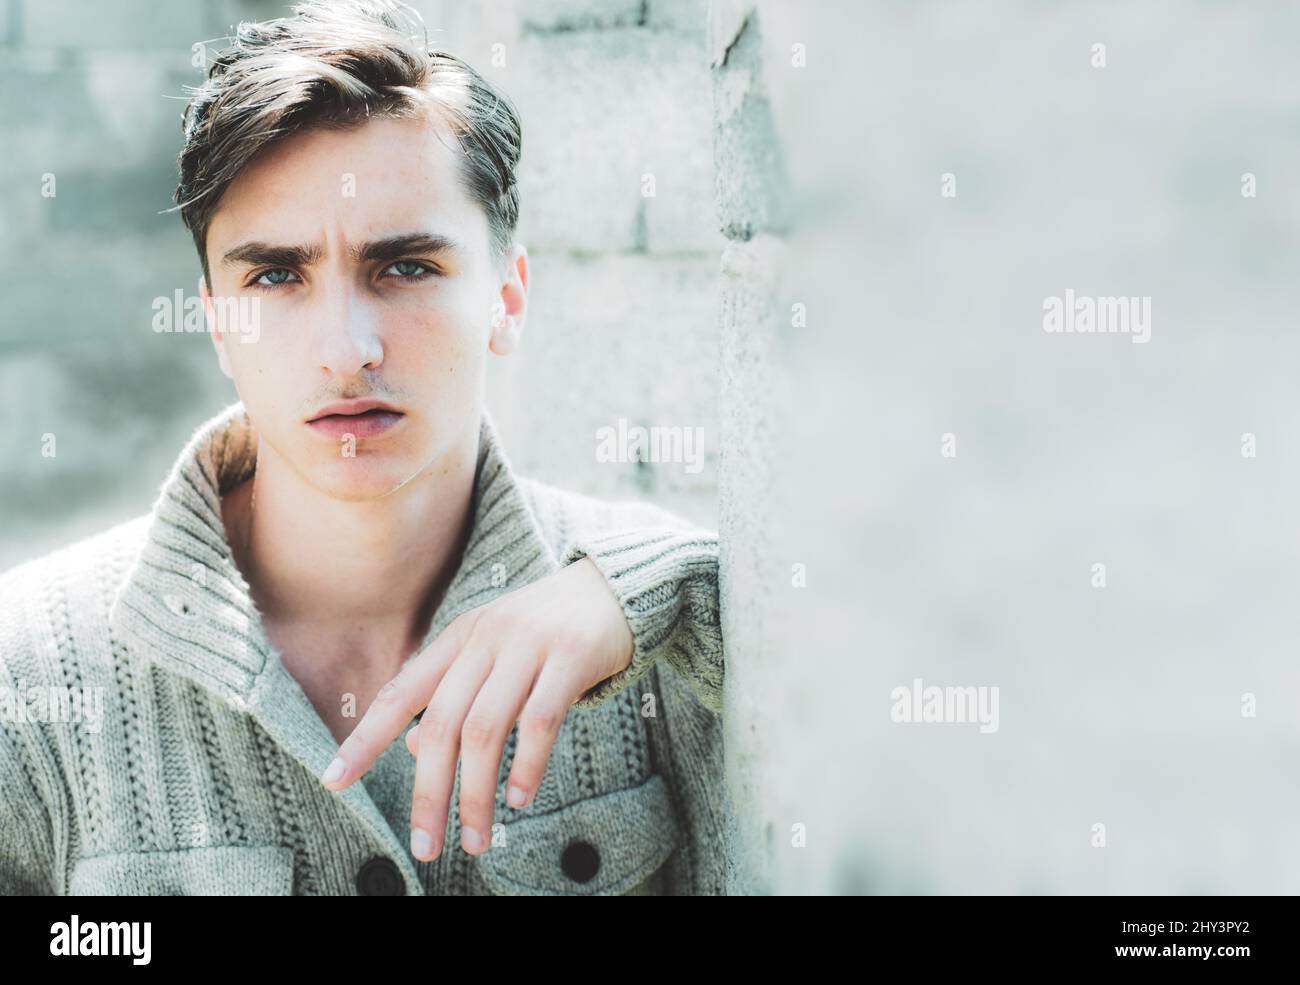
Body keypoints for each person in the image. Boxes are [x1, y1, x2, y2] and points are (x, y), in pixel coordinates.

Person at [0, 0, 730, 896]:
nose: (347, 348)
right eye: (276, 275)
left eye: (406, 267)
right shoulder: (28, 668)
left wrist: (681, 594)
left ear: (507, 296)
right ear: (218, 325)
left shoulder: (653, 636)